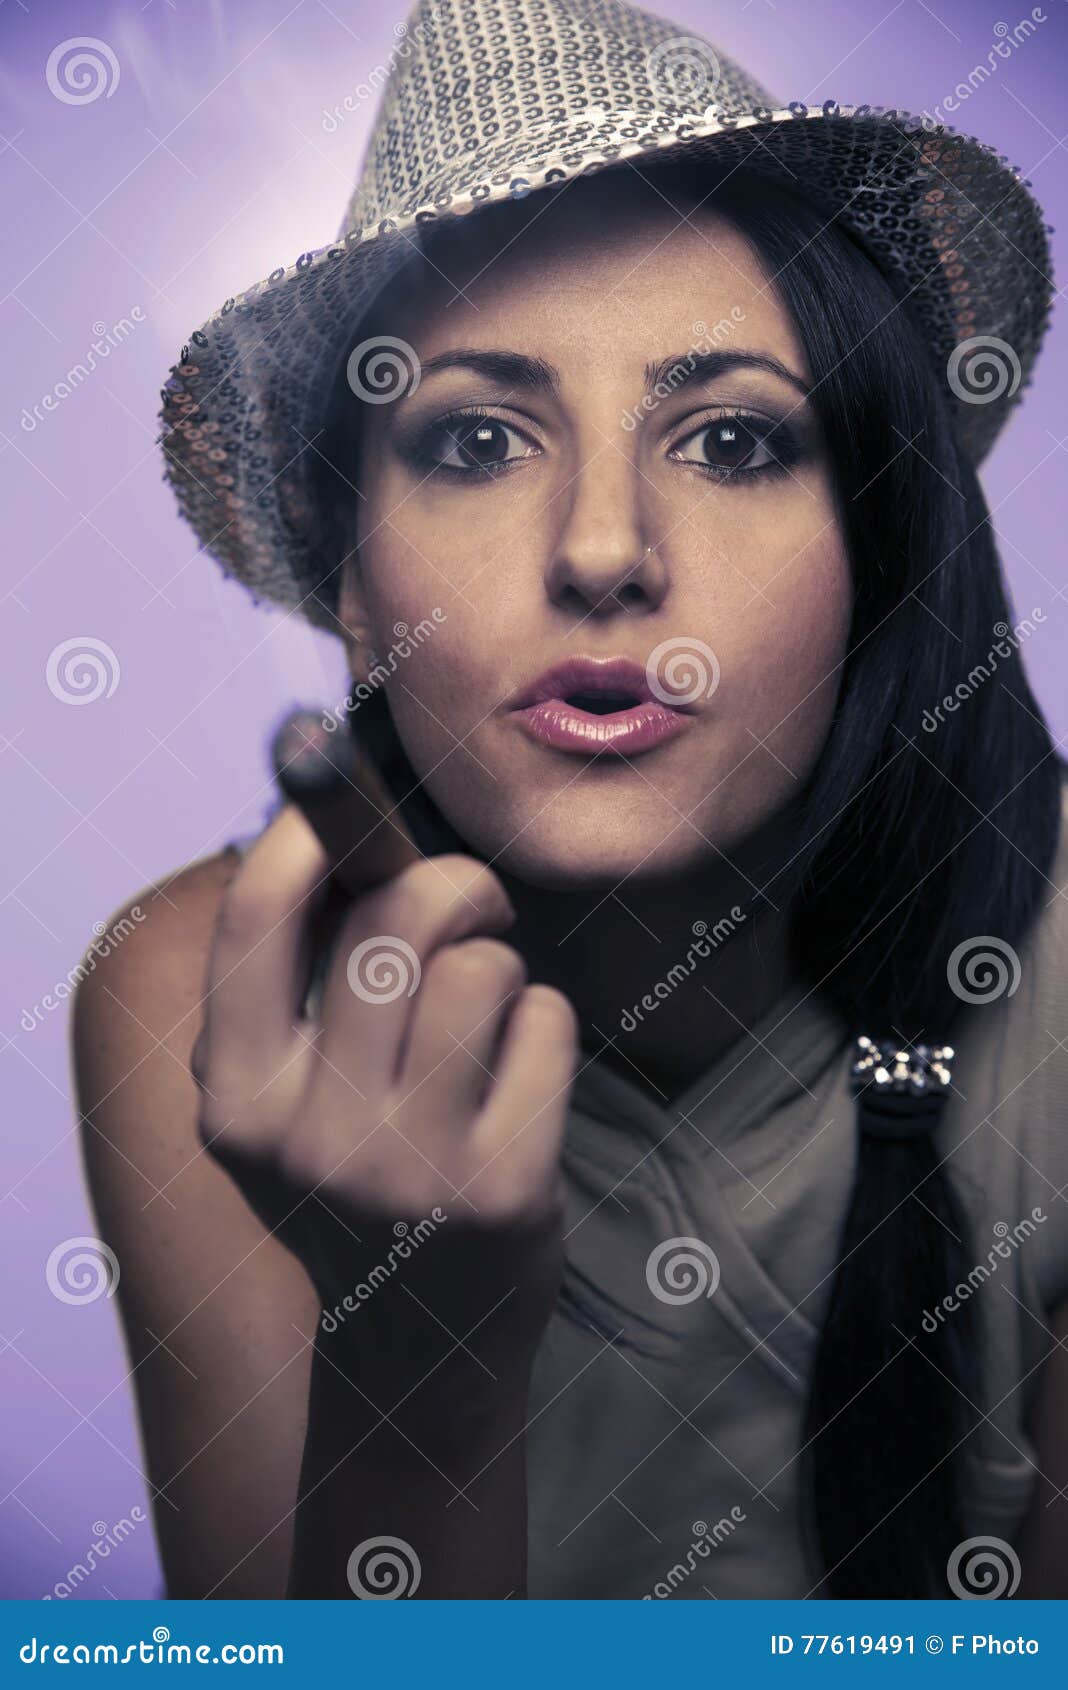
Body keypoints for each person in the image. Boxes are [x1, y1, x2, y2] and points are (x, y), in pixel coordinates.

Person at [72, 0, 1067, 1600]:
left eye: (733, 438)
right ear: (347, 571)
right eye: (476, 438)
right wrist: (423, 1365)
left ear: (886, 540)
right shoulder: (199, 998)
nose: (602, 549)